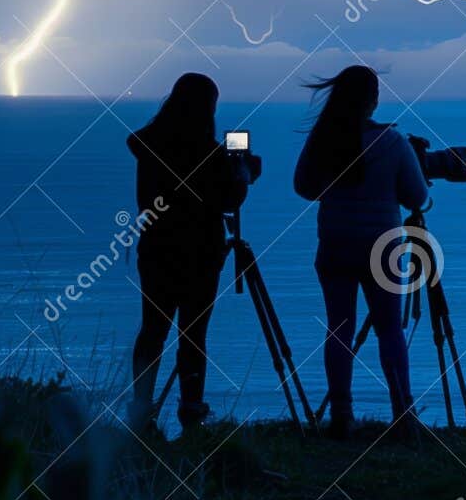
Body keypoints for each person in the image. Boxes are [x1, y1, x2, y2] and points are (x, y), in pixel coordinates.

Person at [293, 65, 428, 439]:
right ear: (372, 99)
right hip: (382, 250)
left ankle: (341, 414)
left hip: (335, 244)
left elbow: (303, 187)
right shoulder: (393, 143)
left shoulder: (323, 139)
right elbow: (417, 197)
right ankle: (403, 414)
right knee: (390, 330)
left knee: (339, 330)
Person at [127, 72, 260, 433]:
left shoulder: (150, 144)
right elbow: (229, 200)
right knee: (193, 333)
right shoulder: (211, 154)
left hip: (155, 251)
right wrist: (243, 172)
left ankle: (141, 409)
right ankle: (191, 410)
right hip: (201, 254)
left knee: (152, 330)